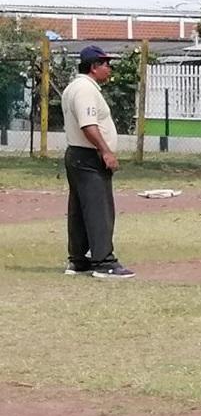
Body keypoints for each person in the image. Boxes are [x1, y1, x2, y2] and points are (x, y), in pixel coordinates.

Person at [61, 44, 133, 278]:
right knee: (98, 208)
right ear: (93, 67)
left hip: (78, 155)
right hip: (89, 156)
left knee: (80, 209)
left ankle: (79, 259)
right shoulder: (84, 90)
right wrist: (105, 151)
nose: (109, 69)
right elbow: (88, 125)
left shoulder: (76, 87)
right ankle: (104, 262)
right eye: (105, 64)